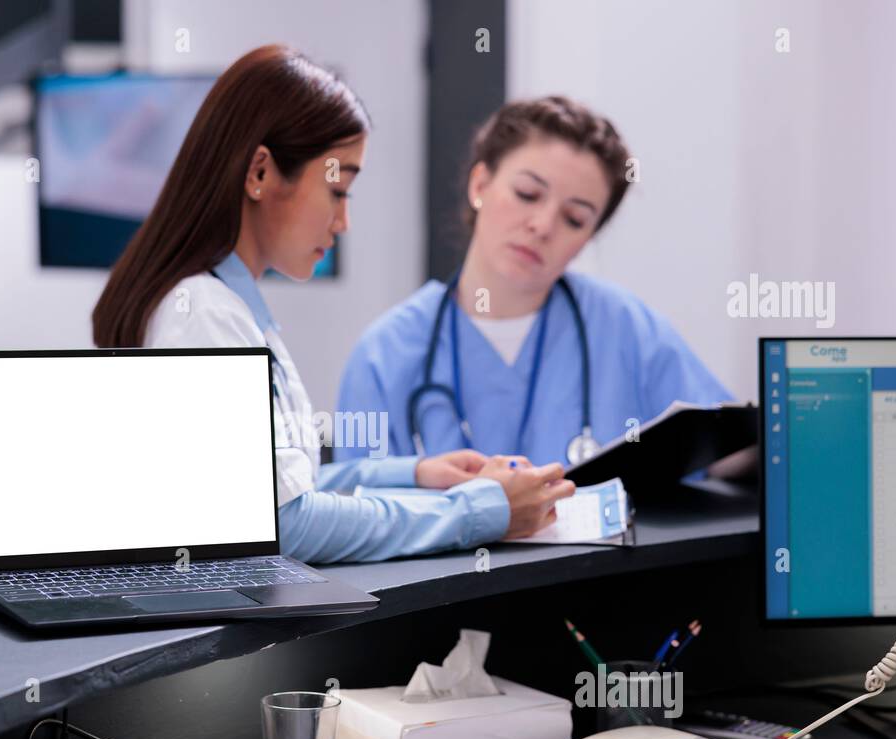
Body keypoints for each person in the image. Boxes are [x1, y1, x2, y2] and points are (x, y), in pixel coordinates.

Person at [92, 45, 574, 565]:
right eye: (338, 189)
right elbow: (282, 525)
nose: (342, 222)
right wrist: (477, 511)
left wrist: (414, 476)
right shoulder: (203, 314)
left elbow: (287, 483)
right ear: (259, 173)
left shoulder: (230, 306)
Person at [336, 95, 732, 466]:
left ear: (587, 238)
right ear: (480, 186)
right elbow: (355, 509)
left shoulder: (627, 329)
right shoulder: (385, 355)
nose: (543, 226)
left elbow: (729, 450)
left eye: (574, 219)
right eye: (527, 194)